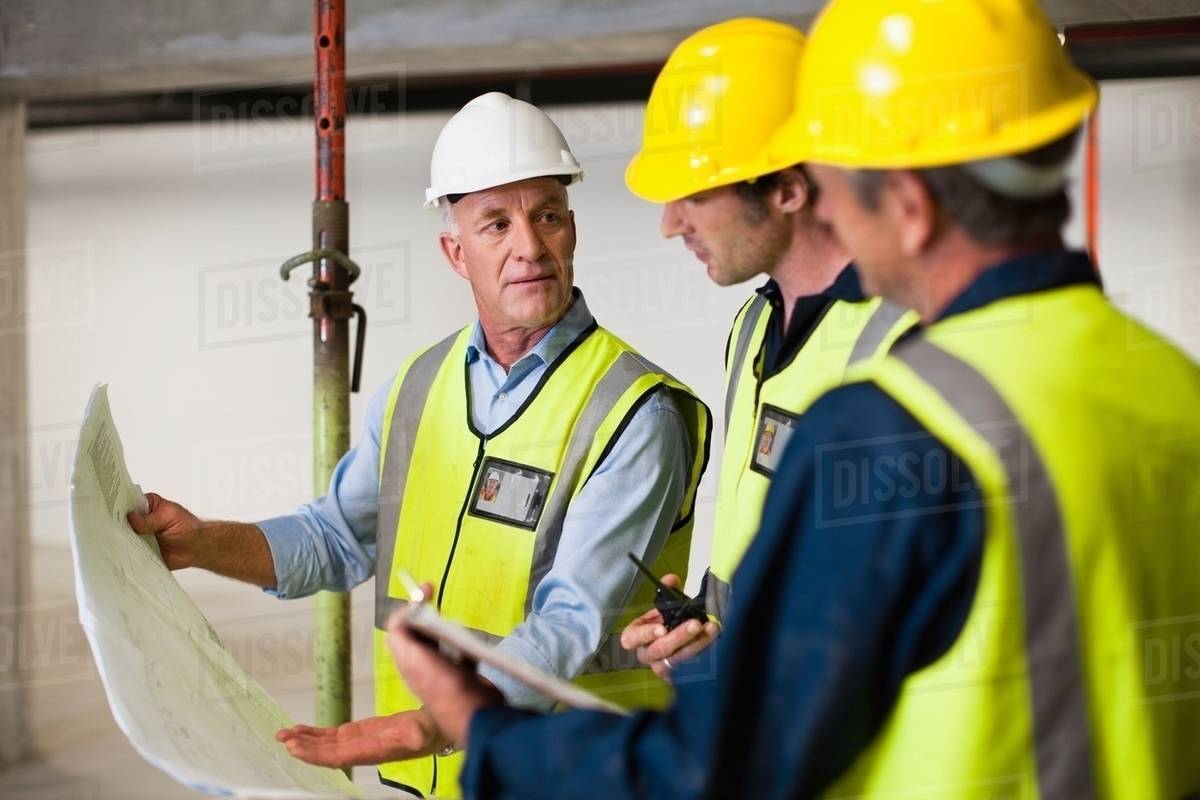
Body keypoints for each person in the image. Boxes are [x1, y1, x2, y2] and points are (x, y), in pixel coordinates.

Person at [384, 3, 1200, 798]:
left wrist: (481, 726)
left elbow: (720, 768)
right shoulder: (1173, 384)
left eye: (835, 182)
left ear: (908, 205)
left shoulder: (899, 427)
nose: (822, 205)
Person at [128, 91, 710, 798]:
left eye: (548, 215)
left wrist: (431, 724)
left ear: (573, 229)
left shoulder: (635, 411)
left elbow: (570, 622)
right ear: (455, 253)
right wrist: (200, 543)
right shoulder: (418, 386)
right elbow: (336, 537)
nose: (530, 247)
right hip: (435, 781)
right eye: (496, 224)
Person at [618, 18, 914, 676]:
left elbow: (903, 611)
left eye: (695, 194)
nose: (670, 224)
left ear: (786, 188)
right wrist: (702, 624)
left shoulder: (907, 347)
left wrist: (743, 671)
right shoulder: (753, 326)